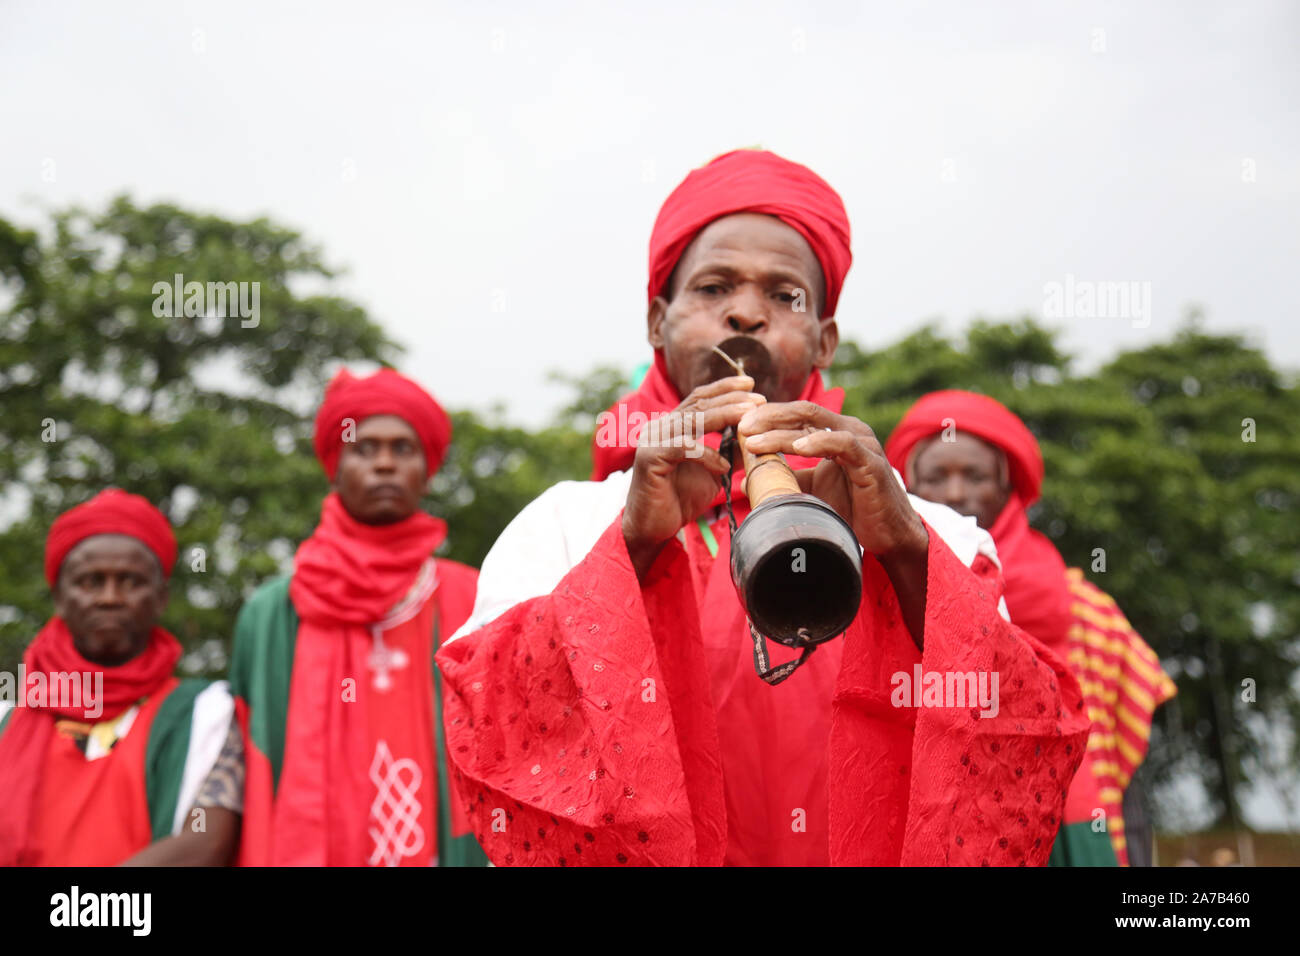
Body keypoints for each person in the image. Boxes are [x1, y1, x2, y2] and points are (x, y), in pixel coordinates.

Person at [436, 148, 1090, 866]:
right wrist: (634, 547)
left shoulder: (931, 533)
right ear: (657, 322)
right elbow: (491, 734)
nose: (746, 311)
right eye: (713, 287)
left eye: (785, 296)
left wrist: (906, 556)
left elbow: (1020, 747)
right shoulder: (564, 524)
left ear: (824, 340)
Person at [885, 389, 1177, 866]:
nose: (955, 492)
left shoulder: (1085, 607)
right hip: (935, 819)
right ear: (909, 488)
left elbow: (1119, 733)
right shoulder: (879, 590)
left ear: (1007, 488)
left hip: (1071, 818)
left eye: (975, 476)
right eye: (936, 477)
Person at [230, 367, 485, 866]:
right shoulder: (272, 613)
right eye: (364, 448)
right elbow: (243, 765)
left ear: (427, 470)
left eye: (402, 449)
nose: (384, 463)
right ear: (335, 466)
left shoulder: (474, 595)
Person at [0, 489, 241, 866]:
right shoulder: (7, 719)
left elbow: (206, 844)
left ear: (161, 597)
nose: (109, 598)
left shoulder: (208, 713)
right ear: (59, 597)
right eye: (90, 582)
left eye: (130, 581)